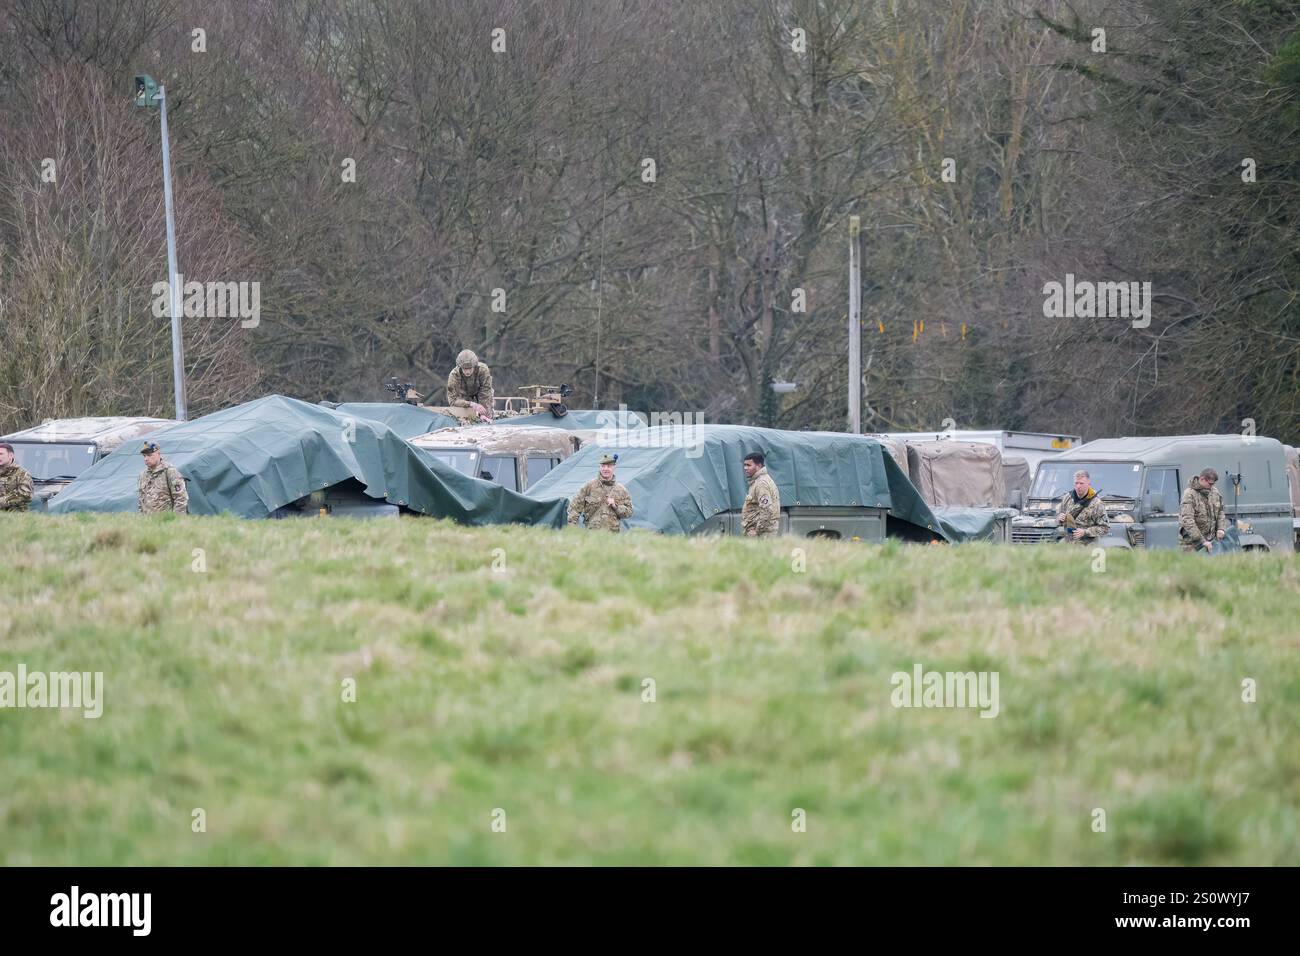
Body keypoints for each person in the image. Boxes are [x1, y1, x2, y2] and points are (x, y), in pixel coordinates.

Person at [567, 453, 633, 532]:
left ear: (613, 468)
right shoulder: (589, 487)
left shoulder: (621, 490)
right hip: (592, 536)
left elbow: (629, 512)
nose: (605, 469)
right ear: (600, 467)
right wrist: (573, 530)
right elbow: (574, 509)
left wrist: (615, 506)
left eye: (608, 466)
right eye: (603, 466)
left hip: (613, 537)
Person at [1179, 467, 1228, 553]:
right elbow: (1187, 520)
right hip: (1192, 543)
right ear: (1202, 479)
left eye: (1213, 484)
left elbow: (1220, 511)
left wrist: (1221, 528)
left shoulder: (1215, 492)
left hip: (1211, 541)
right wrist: (1202, 541)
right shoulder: (1189, 494)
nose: (1212, 486)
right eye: (1210, 484)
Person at [1056, 469, 1109, 543]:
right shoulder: (1067, 498)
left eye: (1081, 483)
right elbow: (1058, 517)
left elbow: (1105, 528)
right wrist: (1059, 518)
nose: (1078, 486)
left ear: (1088, 484)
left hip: (1088, 544)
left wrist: (1085, 532)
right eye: (1076, 483)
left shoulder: (1097, 503)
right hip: (1068, 542)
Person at [137, 441, 188, 514]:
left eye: (149, 455)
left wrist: (176, 521)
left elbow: (181, 498)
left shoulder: (169, 472)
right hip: (148, 523)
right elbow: (141, 502)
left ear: (158, 454)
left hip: (166, 522)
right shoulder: (143, 475)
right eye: (144, 456)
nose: (146, 459)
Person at [446, 349, 494, 422]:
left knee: (487, 417)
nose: (467, 372)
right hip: (463, 398)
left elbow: (485, 393)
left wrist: (484, 413)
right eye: (465, 369)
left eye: (470, 368)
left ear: (474, 366)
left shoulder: (483, 370)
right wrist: (471, 404)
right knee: (463, 419)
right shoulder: (454, 375)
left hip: (480, 394)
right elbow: (453, 401)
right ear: (460, 367)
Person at [741, 450, 780, 537]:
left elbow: (767, 509)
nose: (745, 468)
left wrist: (757, 531)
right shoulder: (756, 481)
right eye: (745, 465)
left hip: (762, 534)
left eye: (748, 465)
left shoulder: (761, 483)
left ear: (758, 466)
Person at [0, 442, 33, 512]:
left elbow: (25, 494)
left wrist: (2, 501)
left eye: (1, 454)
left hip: (16, 514)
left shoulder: (22, 473)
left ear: (11, 455)